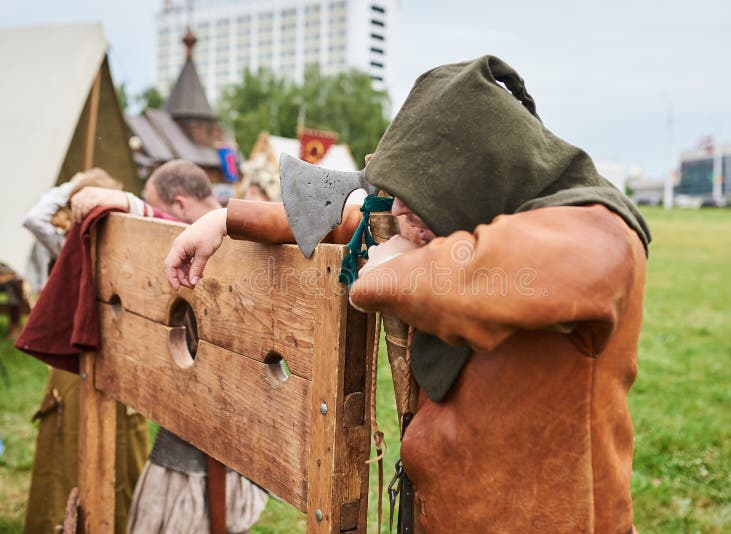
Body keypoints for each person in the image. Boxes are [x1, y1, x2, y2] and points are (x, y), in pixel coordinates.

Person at [163, 56, 651, 533]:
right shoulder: (456, 223)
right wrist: (226, 218)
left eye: (416, 193)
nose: (397, 208)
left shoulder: (600, 235)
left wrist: (388, 269)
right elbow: (362, 224)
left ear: (467, 179)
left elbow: (465, 271)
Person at [70, 159, 269, 534]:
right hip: (186, 390)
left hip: (236, 401)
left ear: (178, 204)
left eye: (156, 209)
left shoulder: (245, 231)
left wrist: (132, 206)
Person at [20, 168, 149, 534]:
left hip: (117, 360)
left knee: (119, 446)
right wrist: (74, 188)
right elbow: (34, 218)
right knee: (69, 444)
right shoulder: (69, 247)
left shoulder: (123, 245)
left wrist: (117, 199)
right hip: (73, 362)